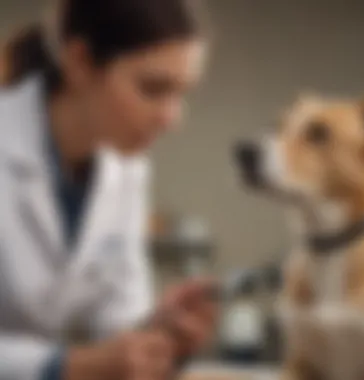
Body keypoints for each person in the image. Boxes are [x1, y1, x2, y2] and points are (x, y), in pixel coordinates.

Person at [0, 1, 218, 379]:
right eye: (152, 88)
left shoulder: (126, 167)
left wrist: (157, 333)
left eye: (182, 94)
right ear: (80, 63)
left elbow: (118, 320)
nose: (172, 119)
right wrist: (68, 366)